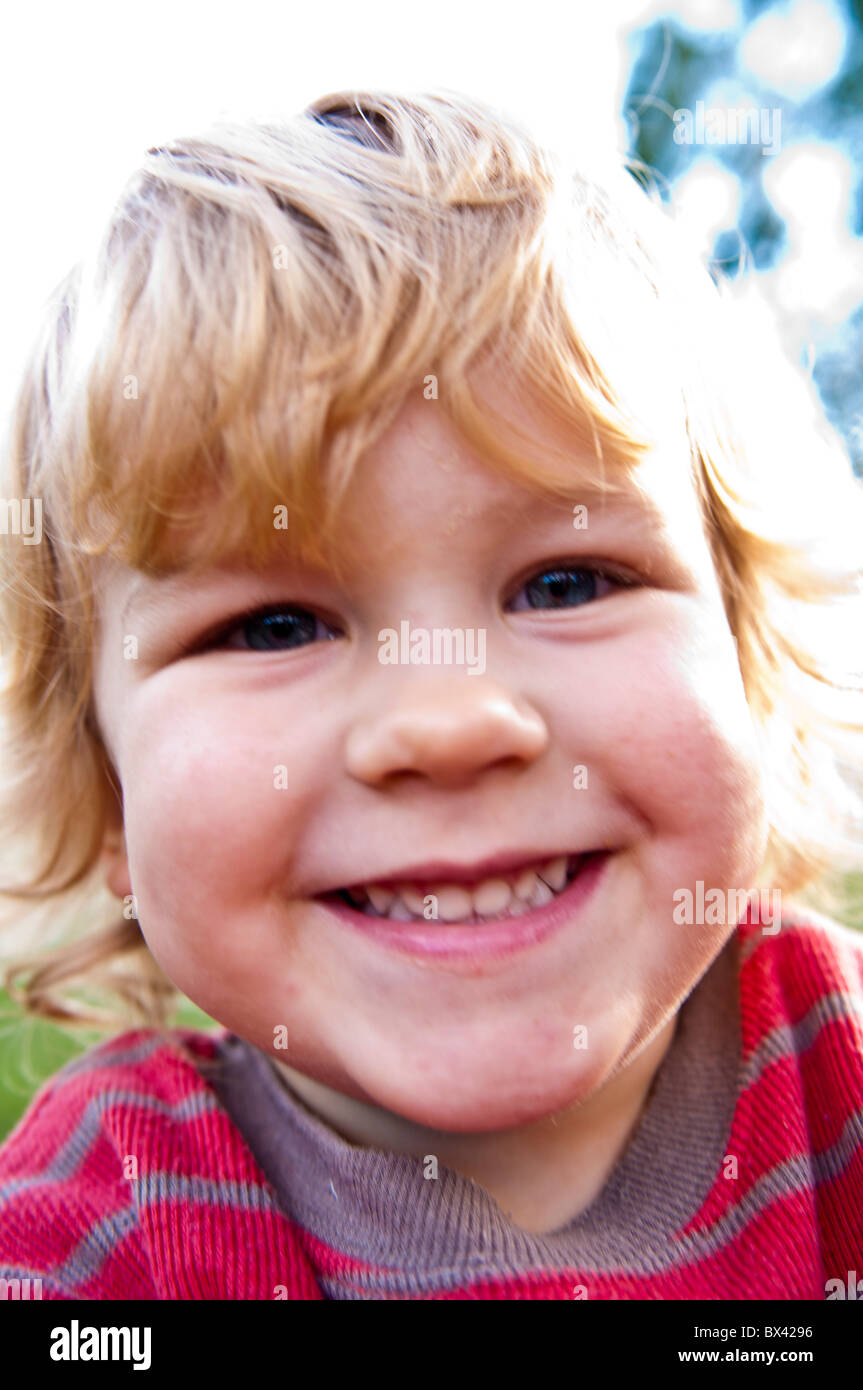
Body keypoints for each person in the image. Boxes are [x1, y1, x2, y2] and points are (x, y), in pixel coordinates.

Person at [0, 87, 861, 1300]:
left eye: (566, 582)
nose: (448, 723)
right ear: (103, 802)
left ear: (749, 666)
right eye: (274, 624)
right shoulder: (109, 1227)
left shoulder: (839, 1065)